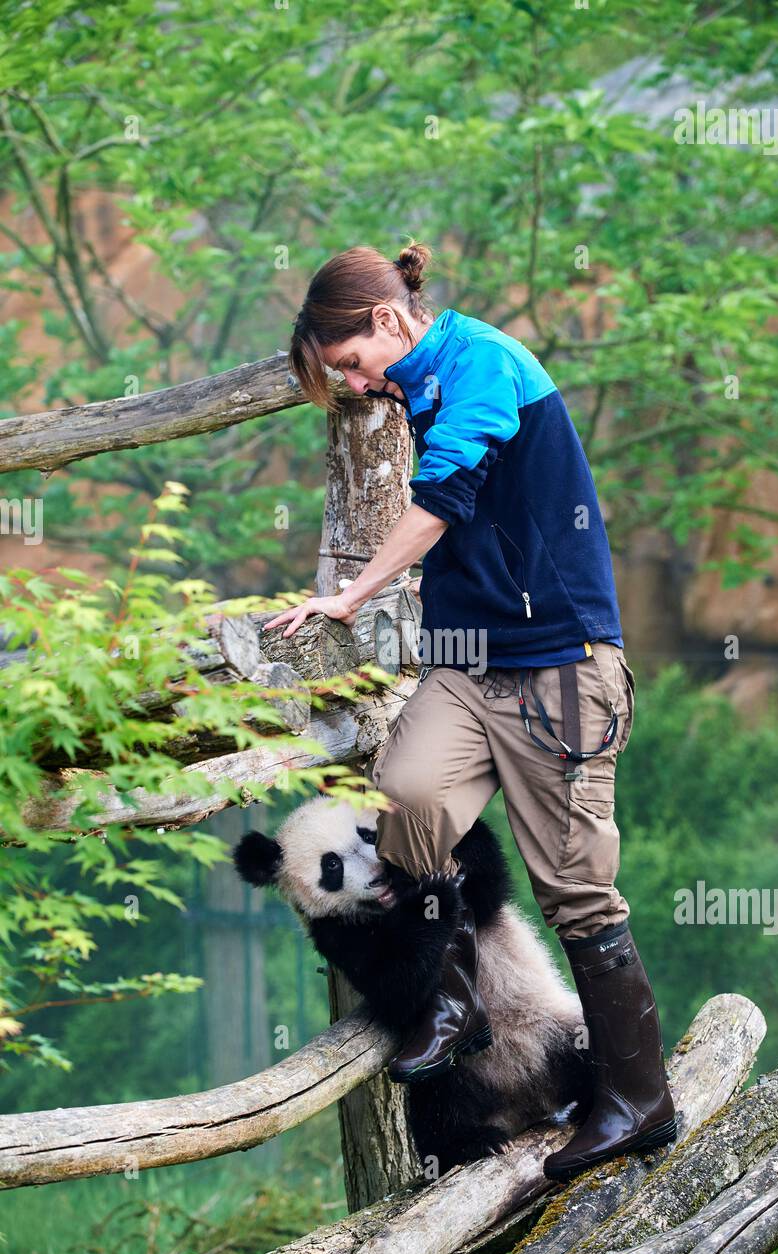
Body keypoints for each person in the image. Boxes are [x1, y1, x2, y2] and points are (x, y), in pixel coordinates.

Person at [263, 240, 676, 1180]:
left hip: (558, 664)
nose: (357, 386)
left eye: (353, 366)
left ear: (386, 321)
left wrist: (352, 593)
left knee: (575, 888)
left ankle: (636, 1098)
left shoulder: (483, 362)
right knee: (404, 800)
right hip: (467, 663)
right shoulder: (418, 382)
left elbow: (444, 496)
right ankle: (451, 1005)